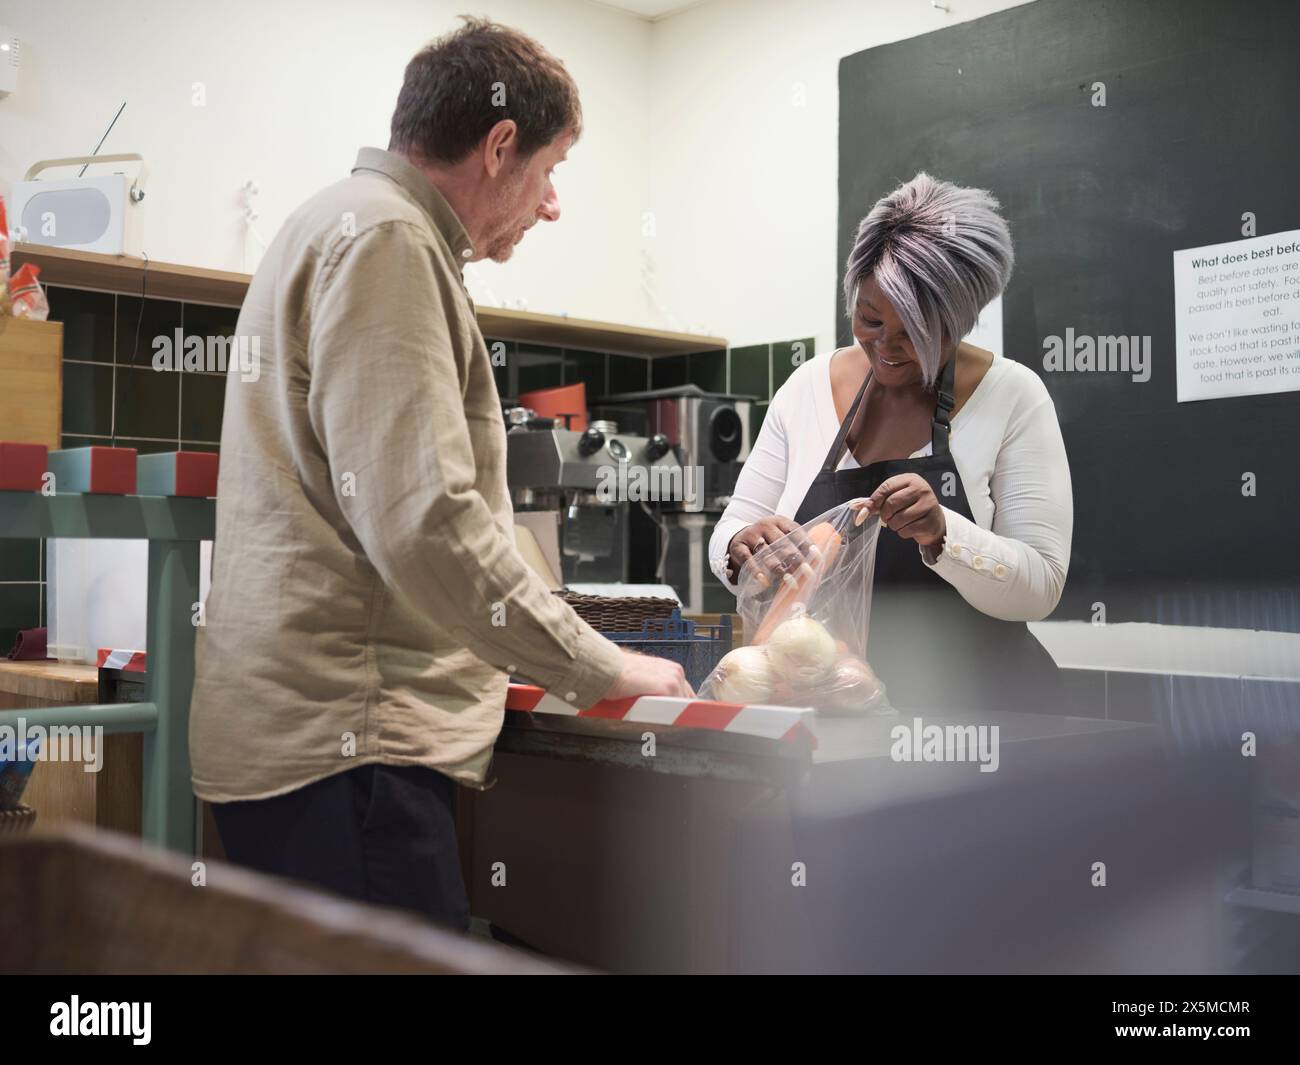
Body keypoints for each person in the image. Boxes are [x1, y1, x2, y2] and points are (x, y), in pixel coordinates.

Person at [190, 18, 690, 930]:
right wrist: (601, 665)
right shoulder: (390, 241)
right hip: (351, 751)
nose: (551, 204)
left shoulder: (334, 220)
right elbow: (423, 520)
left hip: (306, 748)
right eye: (551, 168)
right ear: (500, 145)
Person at [710, 173, 1073, 716]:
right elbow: (729, 535)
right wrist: (745, 544)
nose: (887, 349)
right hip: (832, 713)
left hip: (983, 721)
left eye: (916, 333)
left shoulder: (1013, 395)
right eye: (870, 320)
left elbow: (1040, 587)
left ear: (962, 321)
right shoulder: (806, 388)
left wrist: (944, 534)